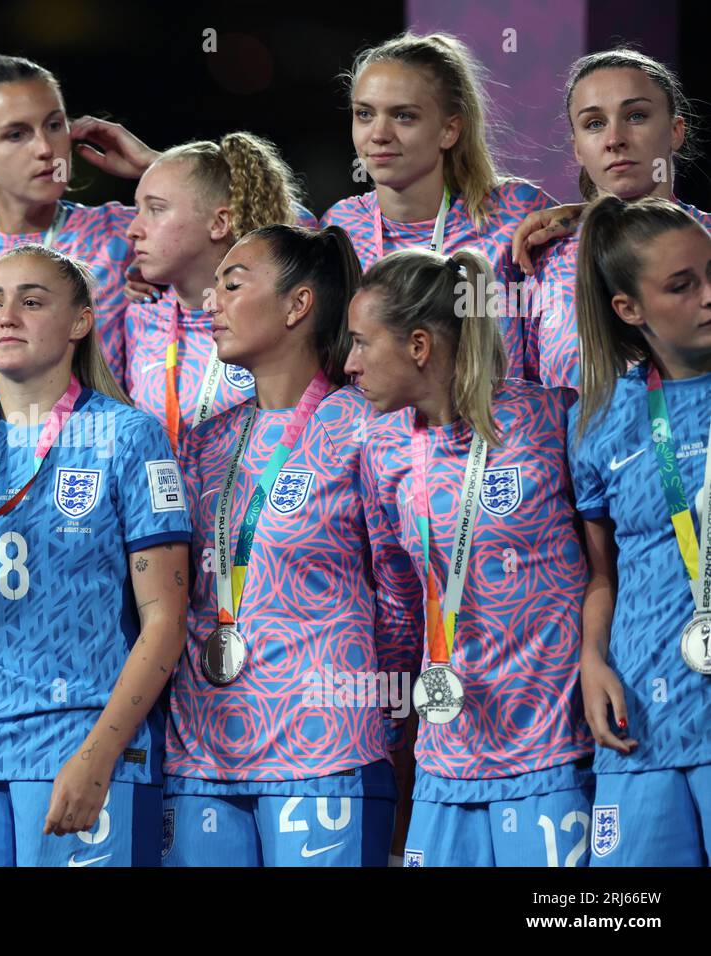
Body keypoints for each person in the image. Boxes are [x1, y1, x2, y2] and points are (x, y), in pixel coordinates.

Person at [0, 243, 189, 866]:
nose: (7, 316)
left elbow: (164, 622)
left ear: (81, 321)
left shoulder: (127, 436)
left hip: (75, 739)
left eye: (32, 302)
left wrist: (98, 756)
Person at [162, 223, 418, 866]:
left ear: (298, 305)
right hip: (203, 748)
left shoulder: (367, 428)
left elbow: (402, 596)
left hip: (326, 745)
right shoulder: (203, 440)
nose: (209, 303)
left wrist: (367, 697)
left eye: (232, 284)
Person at [349, 247, 594, 866]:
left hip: (554, 747)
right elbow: (402, 601)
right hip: (445, 754)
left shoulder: (548, 417)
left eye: (360, 343)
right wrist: (381, 724)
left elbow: (605, 565)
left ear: (420, 346)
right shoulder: (381, 448)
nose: (349, 364)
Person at [568, 196, 711, 866]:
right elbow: (603, 574)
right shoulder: (600, 421)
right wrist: (592, 661)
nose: (709, 296)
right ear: (629, 309)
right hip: (643, 721)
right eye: (682, 286)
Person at [0, 54, 147, 411]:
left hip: (95, 457)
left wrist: (155, 165)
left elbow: (252, 246)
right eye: (16, 134)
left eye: (55, 125)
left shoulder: (120, 231)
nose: (45, 149)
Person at [323, 31, 554, 378]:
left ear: (449, 130)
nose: (379, 134)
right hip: (373, 431)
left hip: (496, 428)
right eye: (365, 114)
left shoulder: (514, 212)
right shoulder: (340, 226)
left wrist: (585, 215)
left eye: (403, 116)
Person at [510, 50, 711, 388]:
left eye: (636, 116)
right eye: (594, 124)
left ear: (675, 131)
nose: (615, 139)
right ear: (577, 147)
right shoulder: (542, 263)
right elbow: (523, 395)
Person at [122, 135, 319, 452]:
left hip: (252, 498)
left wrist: (182, 171)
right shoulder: (140, 313)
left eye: (156, 209)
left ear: (220, 222)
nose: (133, 229)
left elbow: (295, 231)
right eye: (137, 209)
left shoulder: (274, 314)